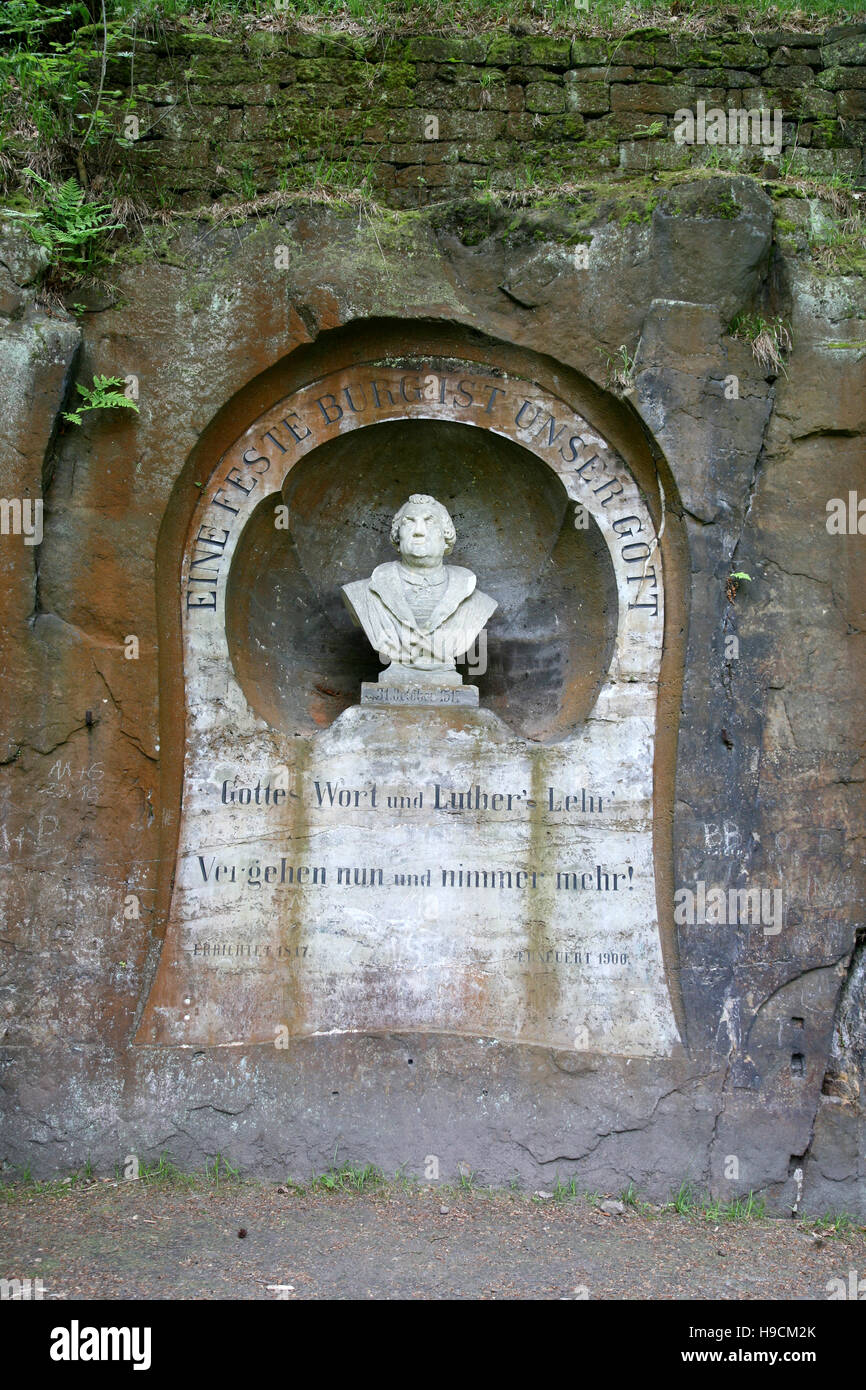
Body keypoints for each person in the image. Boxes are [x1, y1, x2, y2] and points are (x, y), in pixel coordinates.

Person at [341, 494, 497, 686]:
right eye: (409, 522)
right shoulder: (362, 594)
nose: (419, 531)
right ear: (398, 534)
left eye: (429, 522)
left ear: (446, 534)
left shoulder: (478, 602)